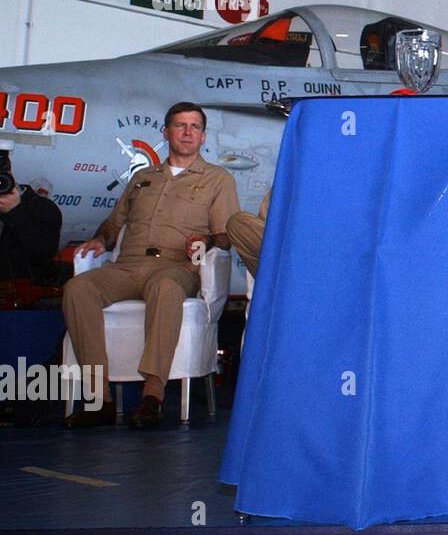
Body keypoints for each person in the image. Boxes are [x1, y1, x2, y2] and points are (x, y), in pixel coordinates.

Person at [62, 103, 239, 429]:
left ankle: (152, 396)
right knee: (78, 288)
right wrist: (102, 239)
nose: (188, 132)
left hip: (178, 266)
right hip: (127, 265)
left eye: (195, 127)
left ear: (203, 137)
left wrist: (206, 240)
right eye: (180, 125)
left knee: (165, 286)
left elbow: (226, 236)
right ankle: (99, 398)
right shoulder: (143, 177)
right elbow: (113, 224)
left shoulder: (217, 179)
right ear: (165, 132)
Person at [0, 154, 62, 284]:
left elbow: (43, 257)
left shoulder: (42, 207)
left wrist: (15, 212)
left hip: (21, 288)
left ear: (8, 172)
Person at [227, 191, 271, 279]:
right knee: (238, 224)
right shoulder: (283, 188)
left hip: (298, 253)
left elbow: (222, 241)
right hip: (280, 255)